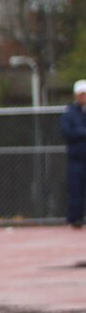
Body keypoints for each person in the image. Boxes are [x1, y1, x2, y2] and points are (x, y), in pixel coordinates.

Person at [63, 80, 86, 229]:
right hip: (77, 157)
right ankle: (75, 218)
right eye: (81, 94)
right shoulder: (70, 112)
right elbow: (67, 132)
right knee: (76, 188)